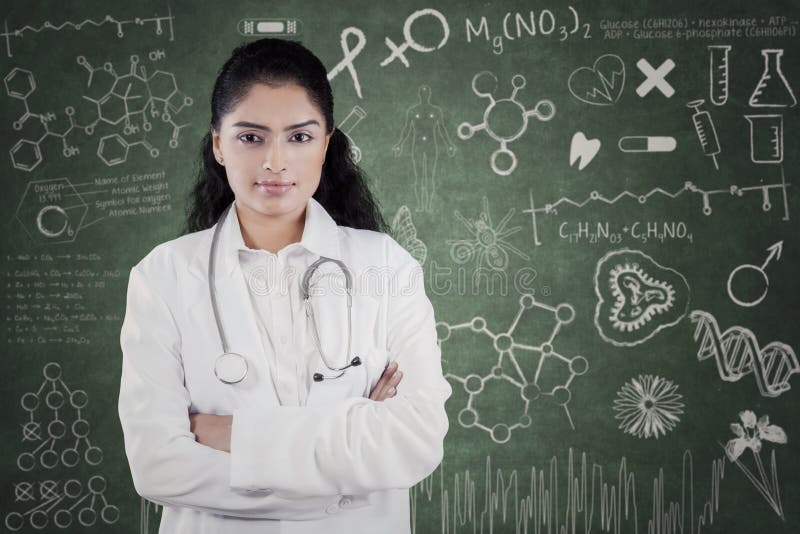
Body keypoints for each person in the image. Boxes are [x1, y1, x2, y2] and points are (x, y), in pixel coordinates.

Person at [117, 38, 452, 533]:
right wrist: (346, 478)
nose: (275, 161)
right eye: (251, 137)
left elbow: (415, 442)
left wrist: (230, 435)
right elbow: (158, 467)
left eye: (298, 137)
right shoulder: (162, 276)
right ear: (217, 143)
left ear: (326, 143)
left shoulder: (388, 265)